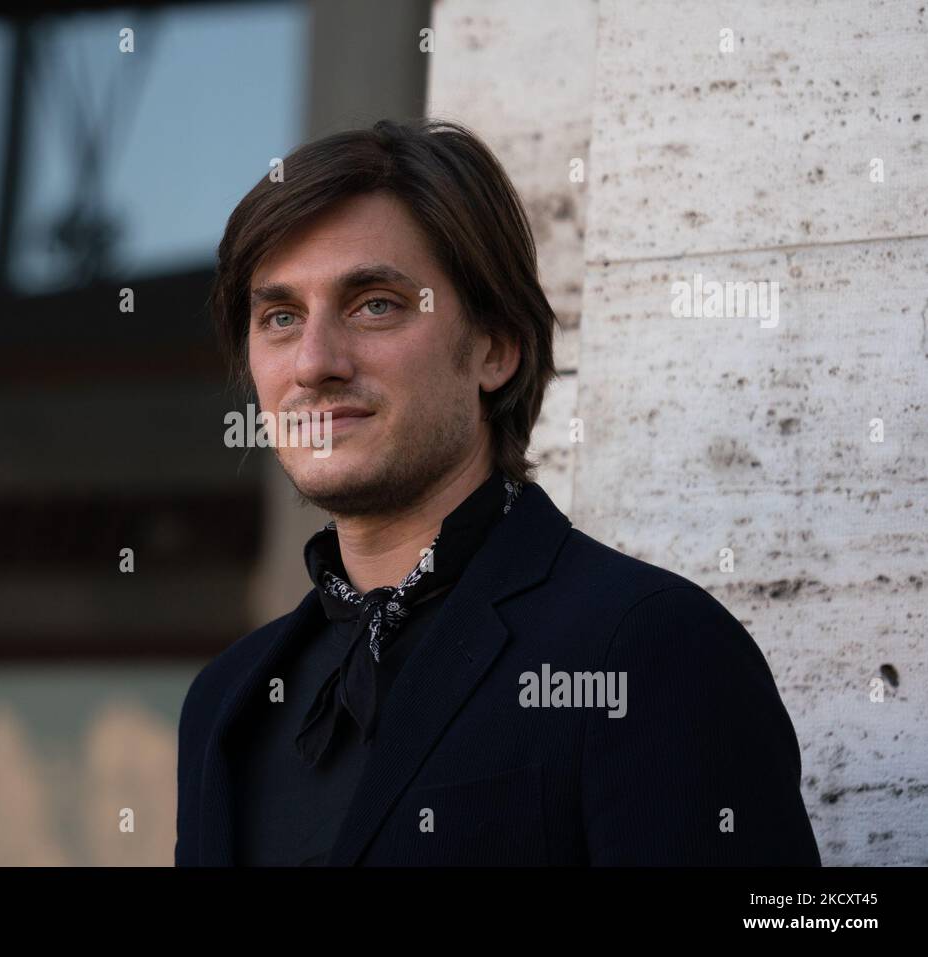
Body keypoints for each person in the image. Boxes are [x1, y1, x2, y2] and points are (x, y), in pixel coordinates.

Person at [175, 118, 821, 866]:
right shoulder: (223, 701)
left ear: (495, 347)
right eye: (281, 317)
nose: (314, 361)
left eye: (375, 303)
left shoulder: (650, 648)